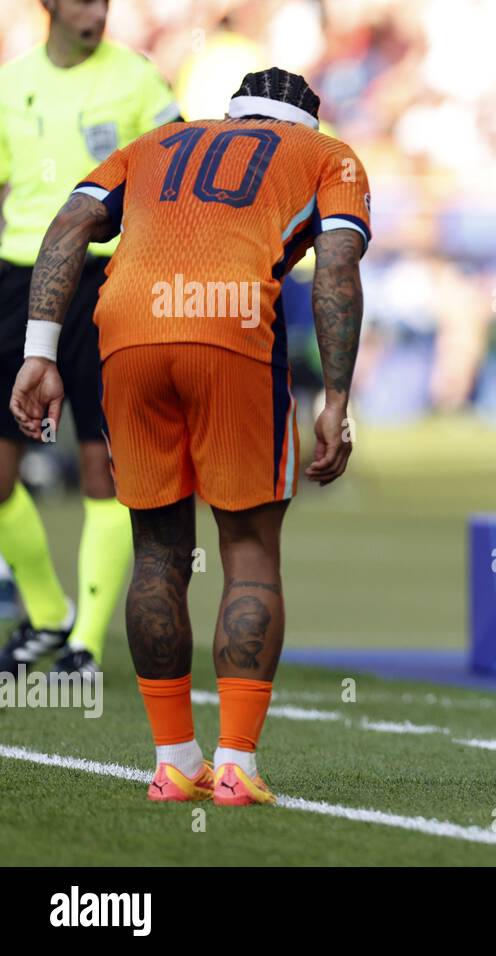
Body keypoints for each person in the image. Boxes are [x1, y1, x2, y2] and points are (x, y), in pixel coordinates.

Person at [9, 67, 370, 806]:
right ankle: (235, 764)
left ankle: (175, 761)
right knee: (247, 551)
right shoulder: (328, 157)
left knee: (158, 551)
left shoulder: (156, 143)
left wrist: (39, 355)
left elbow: (68, 226)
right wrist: (336, 397)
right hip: (232, 325)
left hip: (128, 326)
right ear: (305, 124)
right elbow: (335, 265)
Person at [0, 0, 179, 678]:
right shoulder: (10, 84)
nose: (95, 10)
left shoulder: (137, 78)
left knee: (106, 466)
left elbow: (177, 172)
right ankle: (46, 614)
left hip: (107, 282)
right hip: (19, 280)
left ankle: (86, 644)